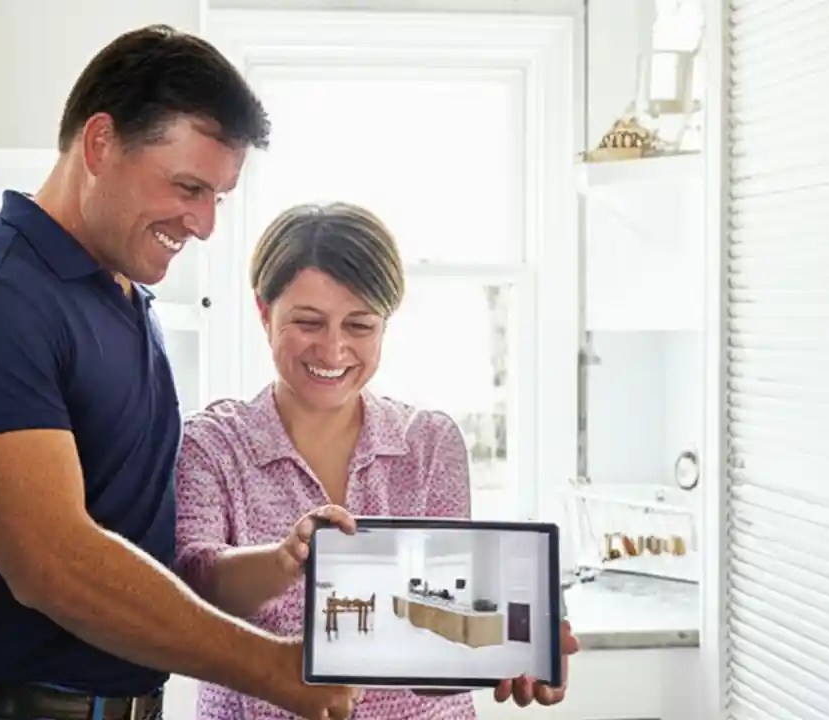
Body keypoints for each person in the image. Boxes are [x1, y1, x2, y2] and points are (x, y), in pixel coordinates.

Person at [0, 26, 359, 720]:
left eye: (219, 198)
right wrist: (270, 666)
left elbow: (142, 553)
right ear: (99, 143)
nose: (204, 224)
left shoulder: (124, 298)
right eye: (188, 187)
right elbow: (55, 567)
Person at [173, 202, 580, 719]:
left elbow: (437, 648)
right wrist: (283, 560)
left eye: (360, 325)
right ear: (263, 312)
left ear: (386, 324)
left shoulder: (429, 443)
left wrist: (509, 654)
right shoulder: (213, 444)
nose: (333, 349)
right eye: (308, 322)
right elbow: (194, 585)